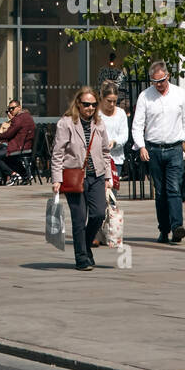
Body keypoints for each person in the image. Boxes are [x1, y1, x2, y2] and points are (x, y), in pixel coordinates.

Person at [131, 60, 185, 243]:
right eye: (155, 81)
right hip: (153, 149)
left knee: (173, 189)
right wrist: (141, 146)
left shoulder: (179, 94)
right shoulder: (145, 96)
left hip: (175, 148)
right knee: (160, 192)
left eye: (161, 80)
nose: (159, 85)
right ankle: (164, 229)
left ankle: (177, 227)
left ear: (168, 76)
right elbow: (137, 125)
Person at [50, 87, 113, 271]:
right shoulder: (66, 123)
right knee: (79, 219)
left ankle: (85, 246)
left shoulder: (99, 124)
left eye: (94, 104)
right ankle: (82, 258)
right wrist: (56, 179)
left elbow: (105, 152)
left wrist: (108, 176)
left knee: (98, 214)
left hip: (97, 176)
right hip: (74, 176)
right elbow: (58, 152)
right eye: (86, 104)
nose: (90, 108)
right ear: (78, 103)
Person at [0, 98, 35, 185]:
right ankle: (25, 175)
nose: (11, 111)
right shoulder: (28, 117)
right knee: (7, 157)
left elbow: (8, 134)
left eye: (12, 108)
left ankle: (13, 175)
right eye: (9, 109)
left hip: (17, 147)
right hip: (26, 146)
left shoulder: (18, 119)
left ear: (19, 107)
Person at [98, 81, 129, 190]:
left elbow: (124, 135)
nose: (112, 104)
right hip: (98, 159)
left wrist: (115, 142)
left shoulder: (120, 113)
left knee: (112, 194)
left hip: (115, 159)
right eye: (109, 101)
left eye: (114, 101)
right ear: (102, 97)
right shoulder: (96, 113)